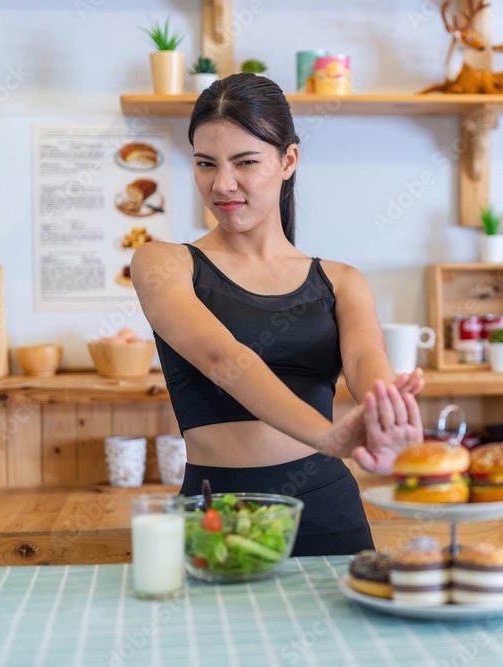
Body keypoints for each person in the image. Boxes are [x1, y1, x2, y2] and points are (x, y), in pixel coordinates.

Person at [131, 73, 425, 556]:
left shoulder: (342, 281)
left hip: (328, 508)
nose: (223, 184)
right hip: (215, 513)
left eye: (245, 162)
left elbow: (367, 363)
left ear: (288, 160)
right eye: (206, 164)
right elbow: (224, 360)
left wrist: (387, 412)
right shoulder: (163, 263)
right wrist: (329, 435)